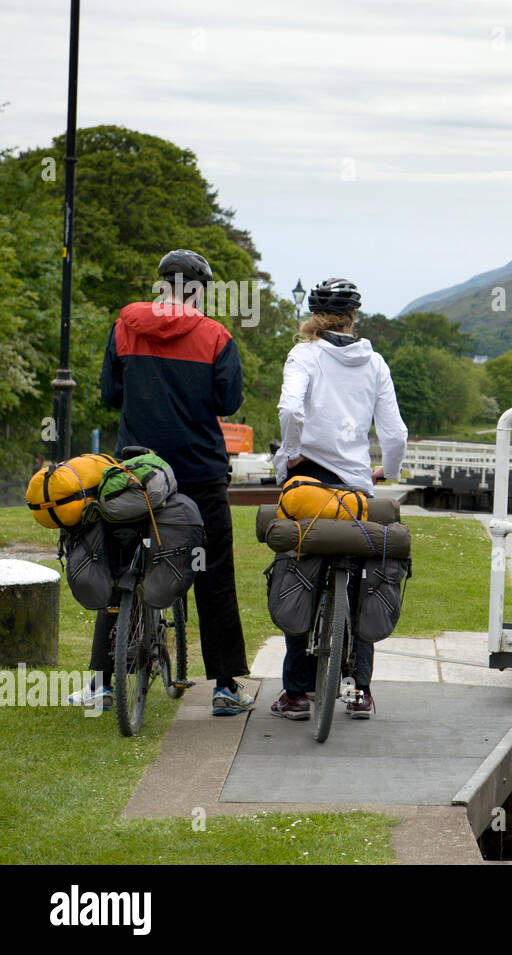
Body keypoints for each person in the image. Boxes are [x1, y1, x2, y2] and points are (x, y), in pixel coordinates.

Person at [74, 249, 253, 715]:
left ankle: (102, 680)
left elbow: (110, 393)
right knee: (212, 572)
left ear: (161, 285)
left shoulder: (124, 328)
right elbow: (228, 401)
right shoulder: (216, 336)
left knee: (116, 565)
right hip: (199, 473)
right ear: (200, 291)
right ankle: (226, 686)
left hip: (137, 472)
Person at [269, 278, 407, 722]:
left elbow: (291, 411)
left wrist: (290, 456)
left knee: (301, 564)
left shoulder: (304, 354)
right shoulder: (376, 364)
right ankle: (360, 691)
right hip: (355, 487)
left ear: (314, 315)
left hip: (309, 481)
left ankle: (295, 693)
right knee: (363, 576)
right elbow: (396, 433)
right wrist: (390, 469)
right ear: (353, 318)